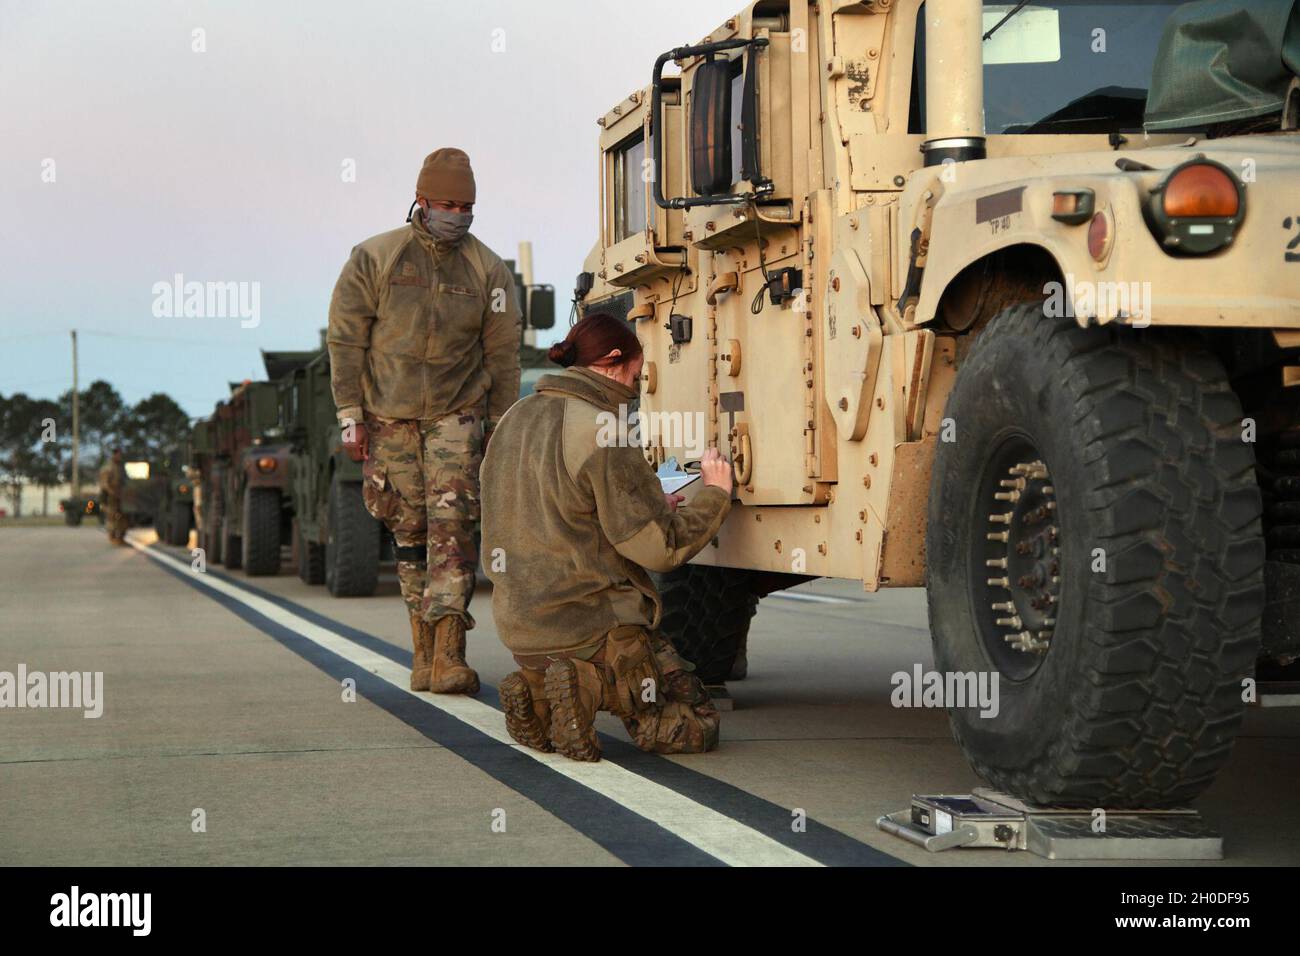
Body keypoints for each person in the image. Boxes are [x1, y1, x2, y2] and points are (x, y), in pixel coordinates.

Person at [481, 312, 734, 760]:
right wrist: (715, 494)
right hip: (592, 624)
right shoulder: (606, 430)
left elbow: (554, 507)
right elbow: (659, 550)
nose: (637, 387)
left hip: (520, 624)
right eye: (638, 373)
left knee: (556, 666)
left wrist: (650, 503)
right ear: (616, 361)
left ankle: (538, 688)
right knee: (695, 725)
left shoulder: (513, 420)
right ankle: (588, 683)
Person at [327, 148, 522, 694]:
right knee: (409, 531)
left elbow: (503, 356)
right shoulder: (374, 258)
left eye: (466, 206)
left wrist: (500, 427)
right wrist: (350, 416)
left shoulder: (490, 270)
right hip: (386, 417)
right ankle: (422, 651)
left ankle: (451, 653)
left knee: (453, 534)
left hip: (456, 416)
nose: (457, 215)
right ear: (421, 200)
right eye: (447, 204)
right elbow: (346, 340)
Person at [97, 448, 127, 544]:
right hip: (110, 496)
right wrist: (111, 492)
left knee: (123, 517)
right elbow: (104, 484)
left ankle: (121, 537)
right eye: (118, 455)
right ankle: (112, 536)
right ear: (114, 455)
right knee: (112, 516)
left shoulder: (120, 467)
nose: (120, 457)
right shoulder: (108, 467)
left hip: (120, 495)